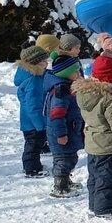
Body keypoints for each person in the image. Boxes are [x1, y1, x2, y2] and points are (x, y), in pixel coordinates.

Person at [74, 72, 112, 218]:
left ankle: (94, 203)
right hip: (108, 144)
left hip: (92, 142)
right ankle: (106, 208)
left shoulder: (86, 94)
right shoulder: (109, 96)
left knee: (95, 176)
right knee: (108, 177)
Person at [43, 54, 84, 198]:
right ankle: (60, 185)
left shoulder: (65, 87)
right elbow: (56, 115)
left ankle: (65, 180)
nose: (79, 74)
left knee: (66, 157)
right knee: (65, 159)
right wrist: (61, 134)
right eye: (76, 72)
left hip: (68, 130)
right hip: (62, 132)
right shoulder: (61, 92)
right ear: (66, 74)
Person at [14, 45, 49, 178]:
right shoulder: (33, 80)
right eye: (44, 61)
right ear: (35, 63)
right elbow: (33, 105)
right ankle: (31, 169)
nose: (46, 64)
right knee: (33, 146)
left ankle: (34, 166)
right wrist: (40, 124)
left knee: (34, 145)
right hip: (33, 122)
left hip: (32, 121)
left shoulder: (33, 76)